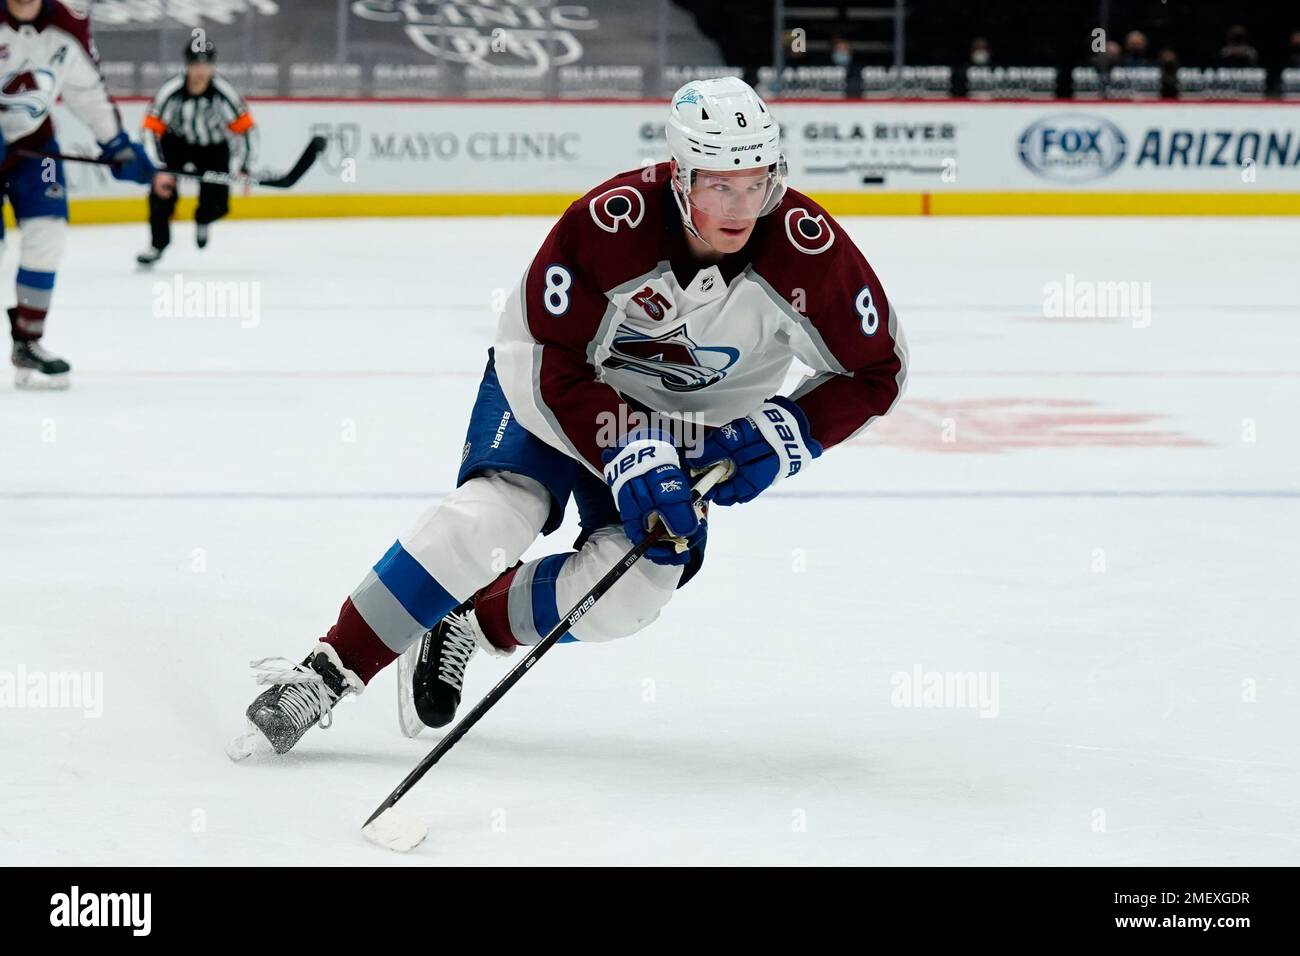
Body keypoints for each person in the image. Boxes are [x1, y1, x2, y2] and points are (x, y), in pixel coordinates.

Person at [228, 77, 909, 758]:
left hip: (686, 437)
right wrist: (626, 442)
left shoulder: (807, 249)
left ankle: (468, 622)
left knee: (635, 593)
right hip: (559, 396)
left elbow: (878, 367)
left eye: (757, 183)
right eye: (719, 186)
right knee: (494, 518)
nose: (741, 207)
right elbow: (540, 349)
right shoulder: (611, 225)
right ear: (680, 177)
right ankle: (326, 672)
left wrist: (782, 433)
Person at [0, 0, 153, 388]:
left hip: (37, 148)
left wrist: (116, 143)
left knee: (49, 231)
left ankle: (28, 341)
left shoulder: (67, 26)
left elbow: (86, 90)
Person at [136, 39, 256, 267]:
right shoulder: (171, 91)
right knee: (161, 194)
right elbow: (150, 129)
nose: (201, 70)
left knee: (218, 204)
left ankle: (203, 220)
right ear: (187, 65)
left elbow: (247, 130)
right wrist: (158, 168)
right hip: (176, 144)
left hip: (213, 148)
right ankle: (157, 245)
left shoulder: (224, 93)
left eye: (206, 64)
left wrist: (245, 166)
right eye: (196, 64)